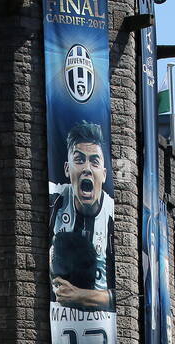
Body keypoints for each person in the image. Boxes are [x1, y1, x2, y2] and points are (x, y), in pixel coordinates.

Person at [48, 120, 114, 311]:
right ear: (67, 169)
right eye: (79, 160)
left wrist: (80, 296)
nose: (86, 168)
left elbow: (130, 294)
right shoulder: (53, 202)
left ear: (103, 174)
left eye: (94, 161)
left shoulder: (112, 217)